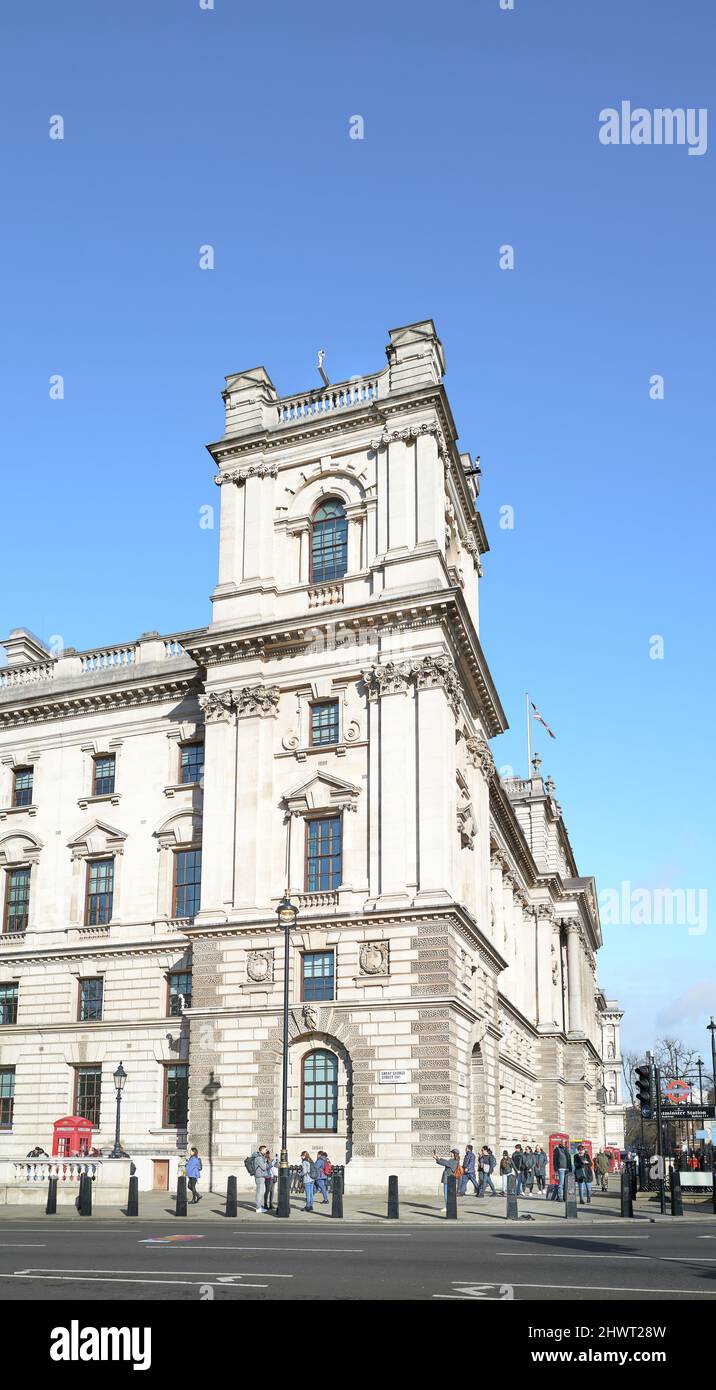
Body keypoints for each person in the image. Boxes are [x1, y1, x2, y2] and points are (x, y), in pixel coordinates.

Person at [251, 1144, 270, 1214]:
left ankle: (259, 1207)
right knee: (260, 1192)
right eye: (265, 1149)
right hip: (259, 1177)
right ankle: (258, 1208)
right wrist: (266, 1161)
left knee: (261, 1192)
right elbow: (264, 1167)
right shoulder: (259, 1158)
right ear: (261, 1150)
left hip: (261, 1176)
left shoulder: (261, 1157)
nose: (266, 1151)